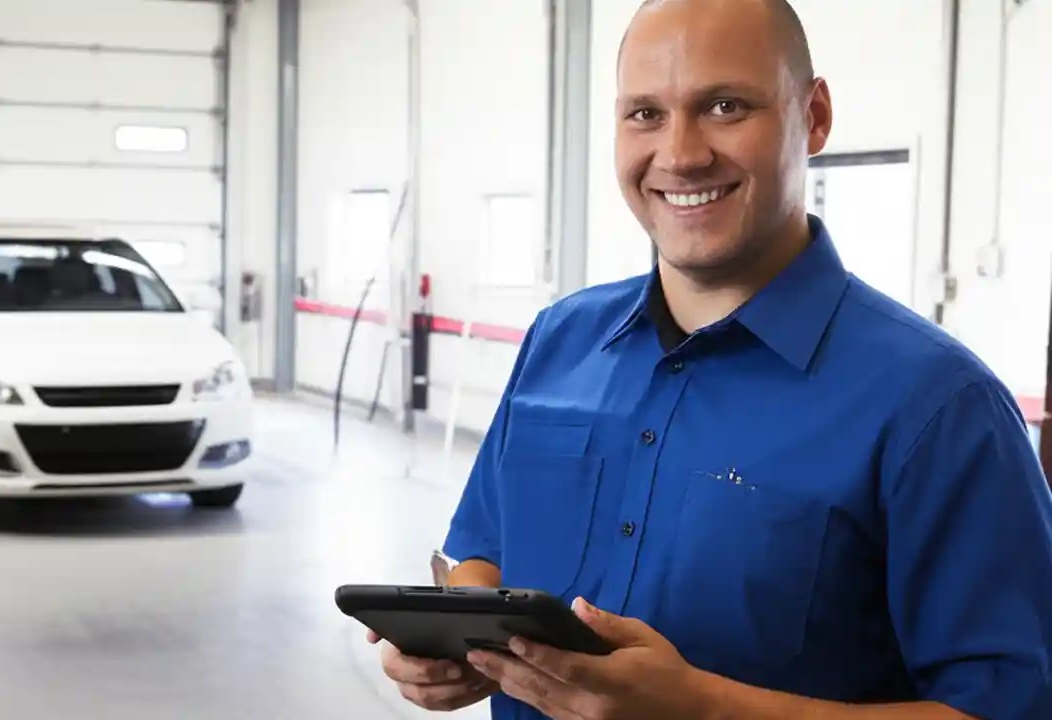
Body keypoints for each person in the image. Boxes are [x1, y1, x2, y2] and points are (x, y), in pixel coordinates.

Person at [367, 0, 1052, 718]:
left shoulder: (939, 405)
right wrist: (459, 637)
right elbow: (485, 551)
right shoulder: (557, 342)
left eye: (725, 106)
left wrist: (704, 709)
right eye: (645, 115)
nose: (681, 154)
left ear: (813, 116)